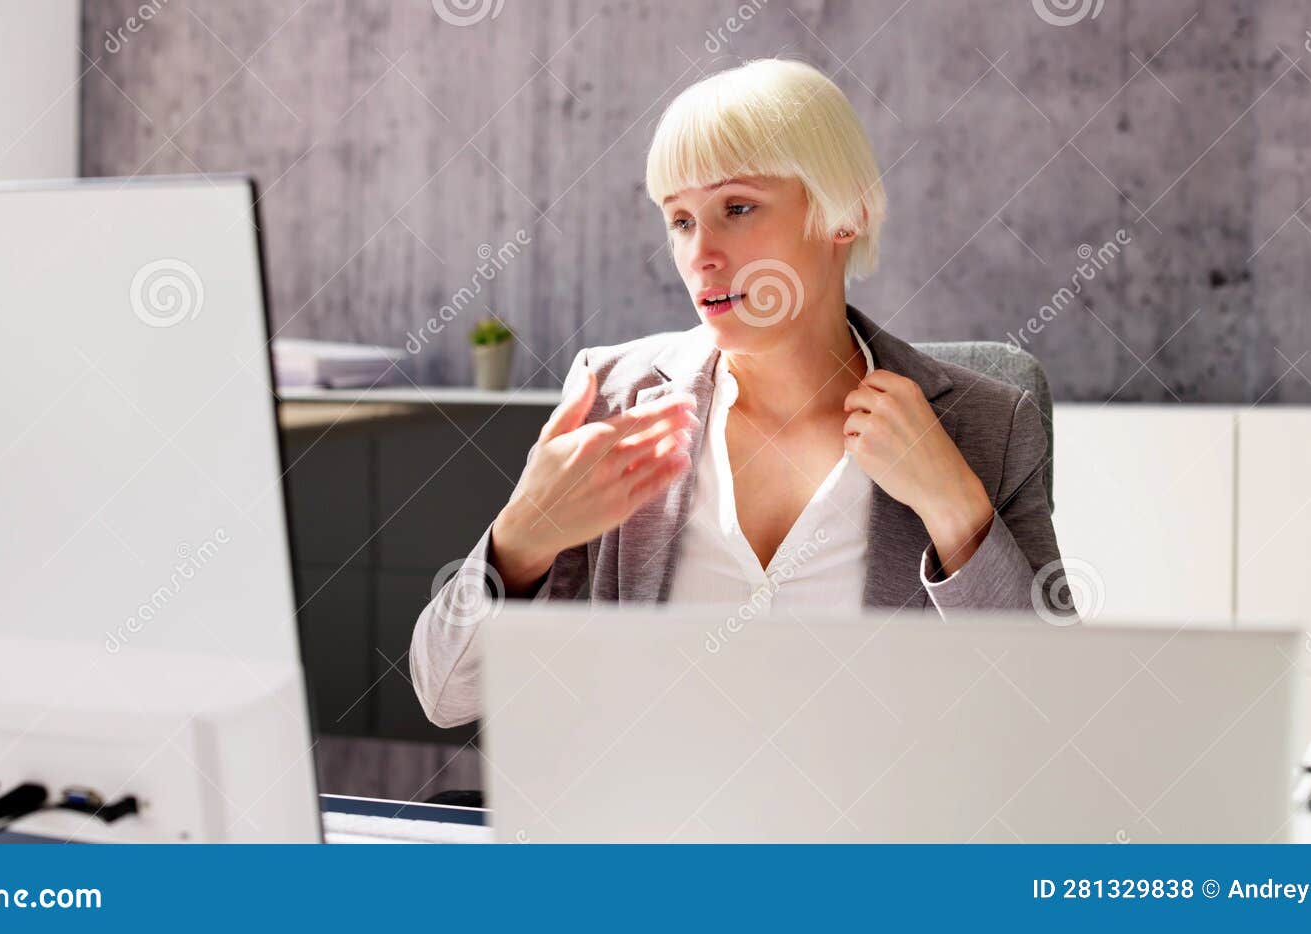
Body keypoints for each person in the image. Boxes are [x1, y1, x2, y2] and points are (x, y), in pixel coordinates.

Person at [411, 58, 1069, 728]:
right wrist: (520, 540)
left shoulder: (985, 423)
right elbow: (445, 696)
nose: (701, 253)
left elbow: (1050, 712)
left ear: (845, 215)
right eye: (681, 220)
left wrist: (957, 513)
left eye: (738, 208)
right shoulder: (612, 398)